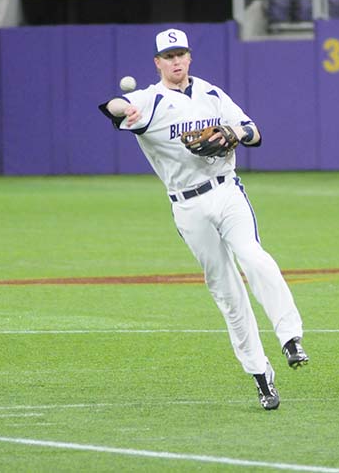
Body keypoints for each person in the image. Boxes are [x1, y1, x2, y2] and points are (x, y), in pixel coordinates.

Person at [98, 28, 309, 410]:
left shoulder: (212, 94)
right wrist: (122, 109)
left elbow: (254, 132)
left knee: (253, 256)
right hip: (188, 205)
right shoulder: (148, 100)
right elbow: (113, 105)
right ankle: (261, 376)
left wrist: (232, 131)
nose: (176, 61)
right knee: (226, 290)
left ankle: (291, 338)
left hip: (226, 190)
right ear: (158, 62)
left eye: (181, 54)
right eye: (169, 56)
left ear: (190, 57)